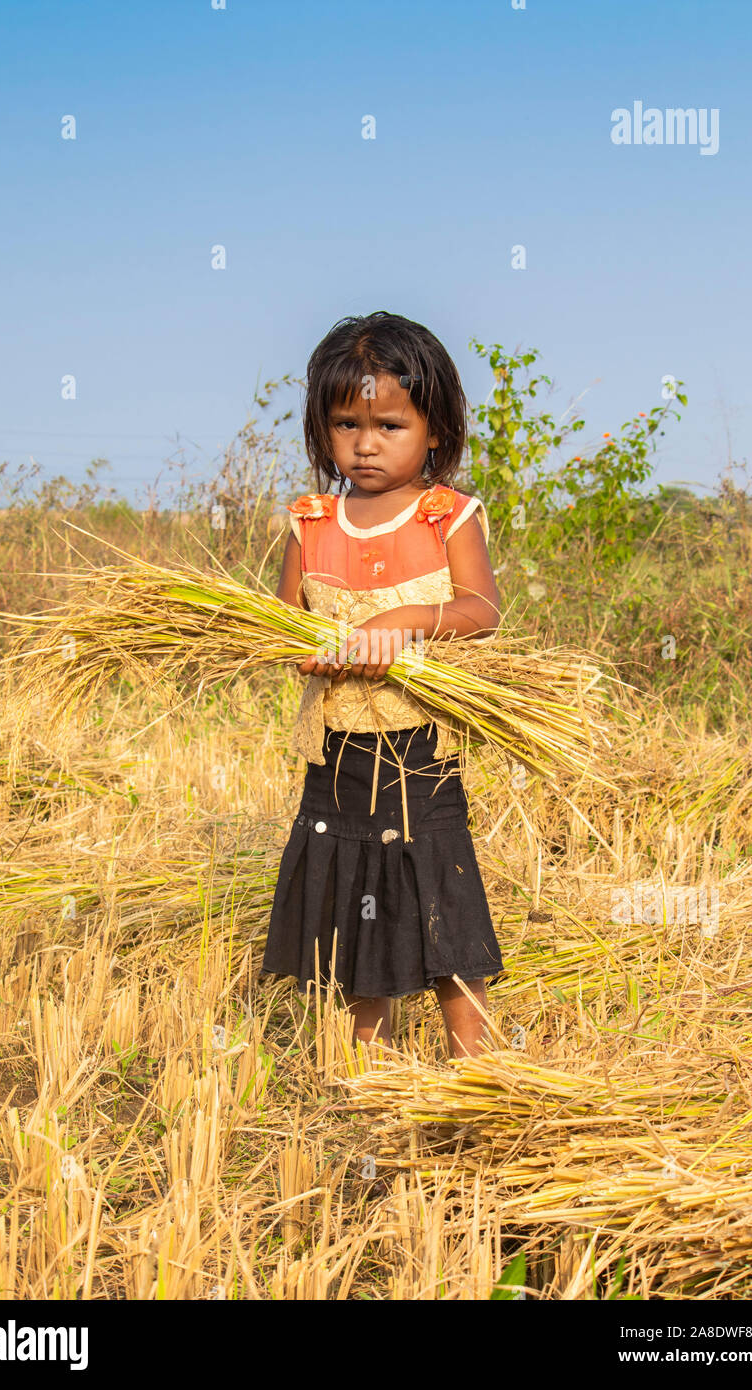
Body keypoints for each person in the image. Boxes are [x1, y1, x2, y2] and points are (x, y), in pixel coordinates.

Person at [259, 311, 505, 1059]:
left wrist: (408, 619)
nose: (365, 444)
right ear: (320, 427)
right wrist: (313, 650)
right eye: (345, 424)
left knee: (438, 891)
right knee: (354, 896)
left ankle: (478, 1066)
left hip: (419, 746)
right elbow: (281, 623)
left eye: (390, 425)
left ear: (434, 430)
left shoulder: (446, 515)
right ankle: (371, 1066)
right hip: (337, 749)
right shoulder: (311, 520)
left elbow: (482, 610)